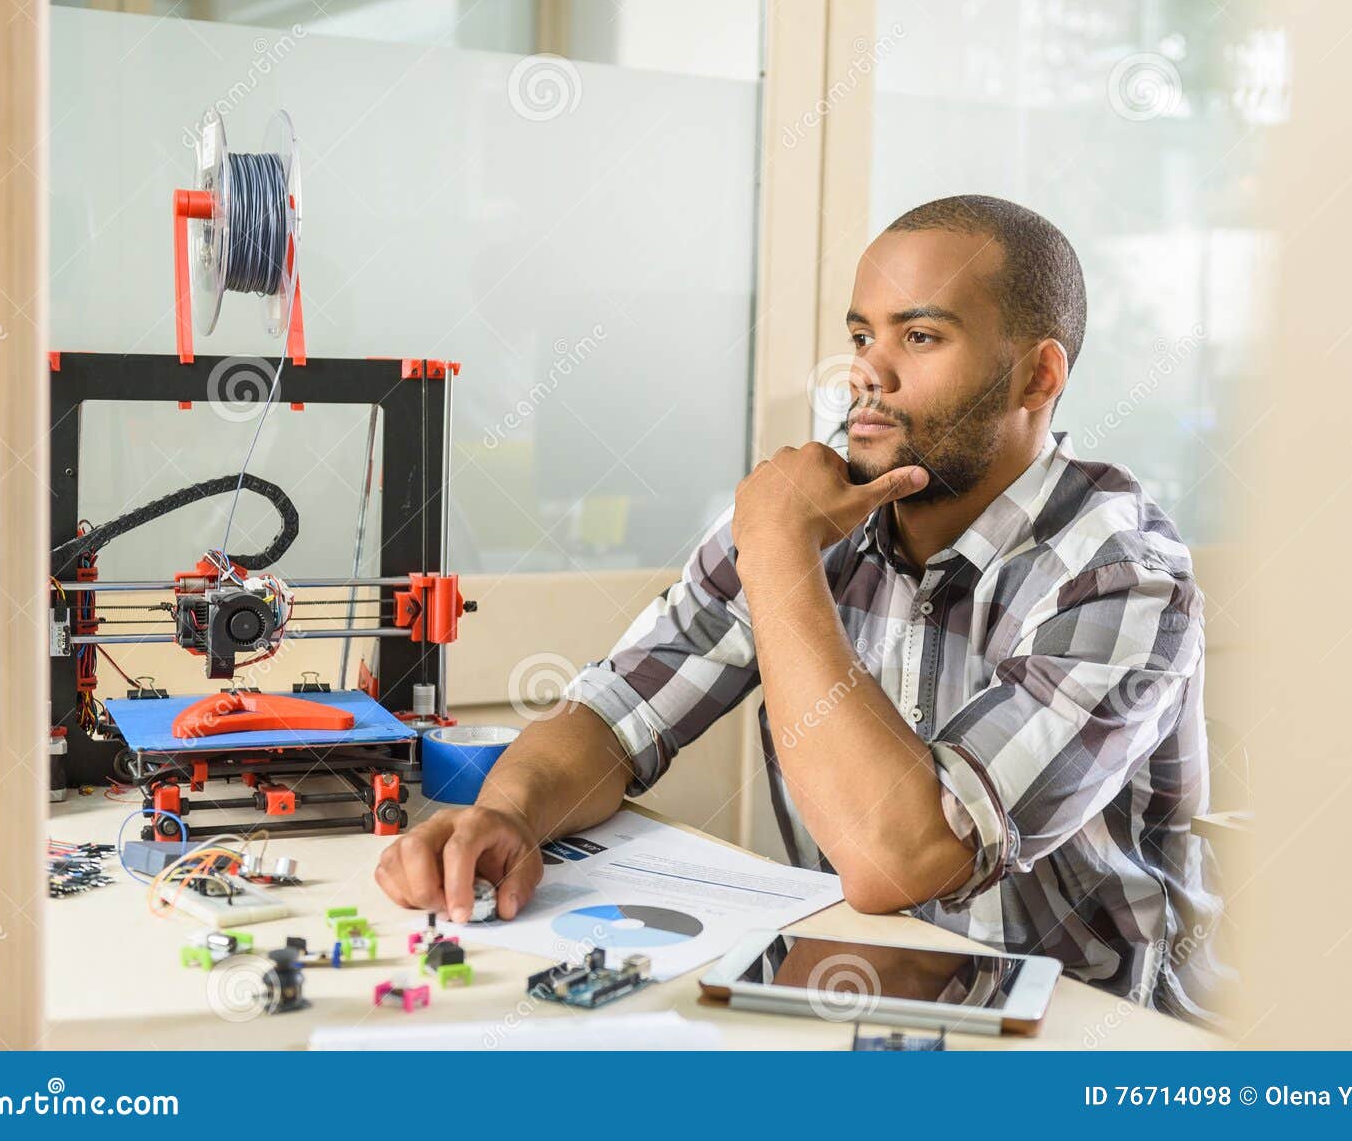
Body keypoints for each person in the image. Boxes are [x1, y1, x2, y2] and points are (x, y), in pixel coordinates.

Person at [376, 194, 1227, 1021]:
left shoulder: (1122, 576)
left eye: (920, 336)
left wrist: (778, 551)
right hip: (859, 1000)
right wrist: (506, 815)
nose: (867, 372)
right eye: (862, 335)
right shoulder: (811, 512)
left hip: (1082, 1040)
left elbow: (901, 859)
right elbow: (612, 715)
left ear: (1037, 375)